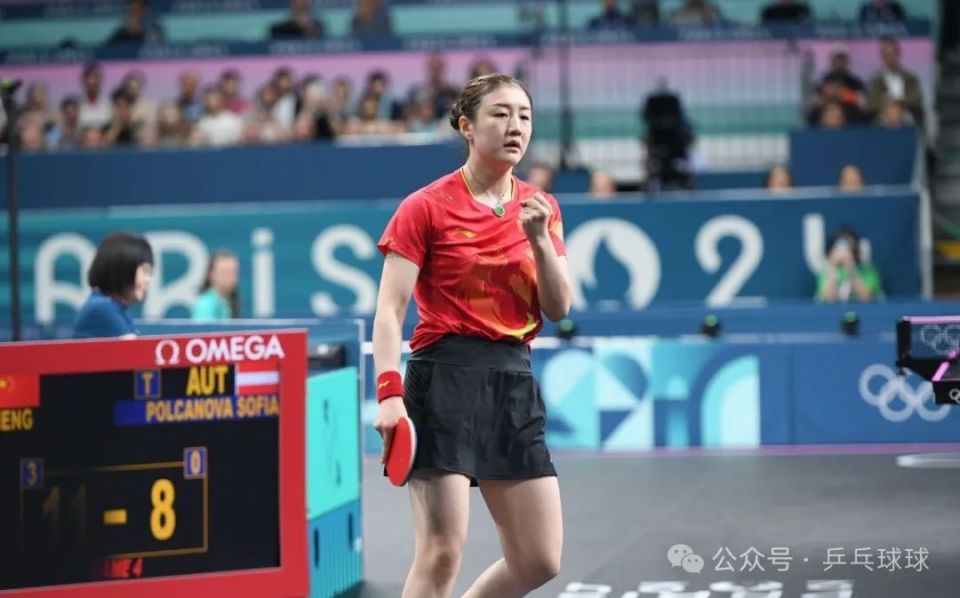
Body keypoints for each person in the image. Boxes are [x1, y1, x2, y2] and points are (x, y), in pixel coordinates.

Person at [372, 73, 569, 597]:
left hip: (512, 380)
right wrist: (389, 395)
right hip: (444, 379)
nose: (515, 126)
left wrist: (539, 240)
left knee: (538, 558)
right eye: (500, 114)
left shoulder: (542, 208)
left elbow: (558, 307)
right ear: (467, 126)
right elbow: (389, 311)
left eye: (524, 116)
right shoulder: (425, 206)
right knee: (441, 553)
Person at [73, 232, 154, 339]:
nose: (148, 280)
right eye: (144, 271)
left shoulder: (115, 308)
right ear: (124, 269)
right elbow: (132, 348)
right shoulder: (103, 309)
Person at [817, 227, 882, 303]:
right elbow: (828, 300)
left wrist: (851, 268)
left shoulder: (869, 271)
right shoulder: (824, 273)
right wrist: (832, 266)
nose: (843, 253)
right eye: (838, 248)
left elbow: (866, 298)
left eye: (848, 248)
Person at [192, 251, 240, 320]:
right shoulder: (205, 305)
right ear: (211, 275)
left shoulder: (227, 302)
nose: (231, 277)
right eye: (225, 272)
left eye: (234, 271)